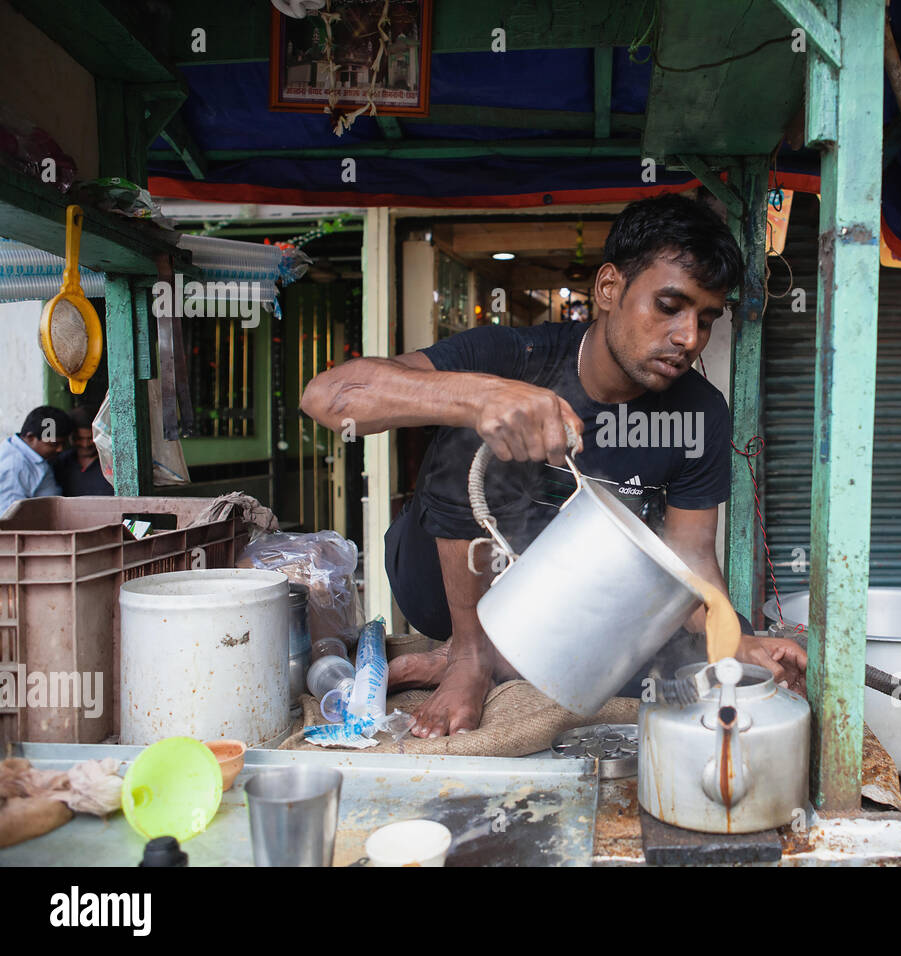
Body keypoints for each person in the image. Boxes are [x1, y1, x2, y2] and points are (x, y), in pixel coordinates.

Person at [302, 194, 808, 738]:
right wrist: (479, 397)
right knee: (461, 432)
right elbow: (327, 397)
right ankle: (469, 653)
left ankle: (500, 658)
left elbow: (688, 559)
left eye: (705, 319)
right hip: (438, 579)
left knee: (671, 661)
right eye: (669, 306)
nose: (688, 337)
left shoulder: (701, 412)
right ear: (610, 288)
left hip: (564, 600)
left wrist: (733, 639)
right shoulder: (513, 355)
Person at [0, 406, 72, 515]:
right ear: (30, 437)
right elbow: (9, 519)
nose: (60, 449)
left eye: (63, 444)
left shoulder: (36, 456)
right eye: (54, 444)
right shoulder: (14, 467)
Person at [52, 406, 113, 497]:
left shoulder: (110, 463)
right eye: (78, 438)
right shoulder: (61, 462)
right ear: (69, 437)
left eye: (90, 438)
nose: (85, 444)